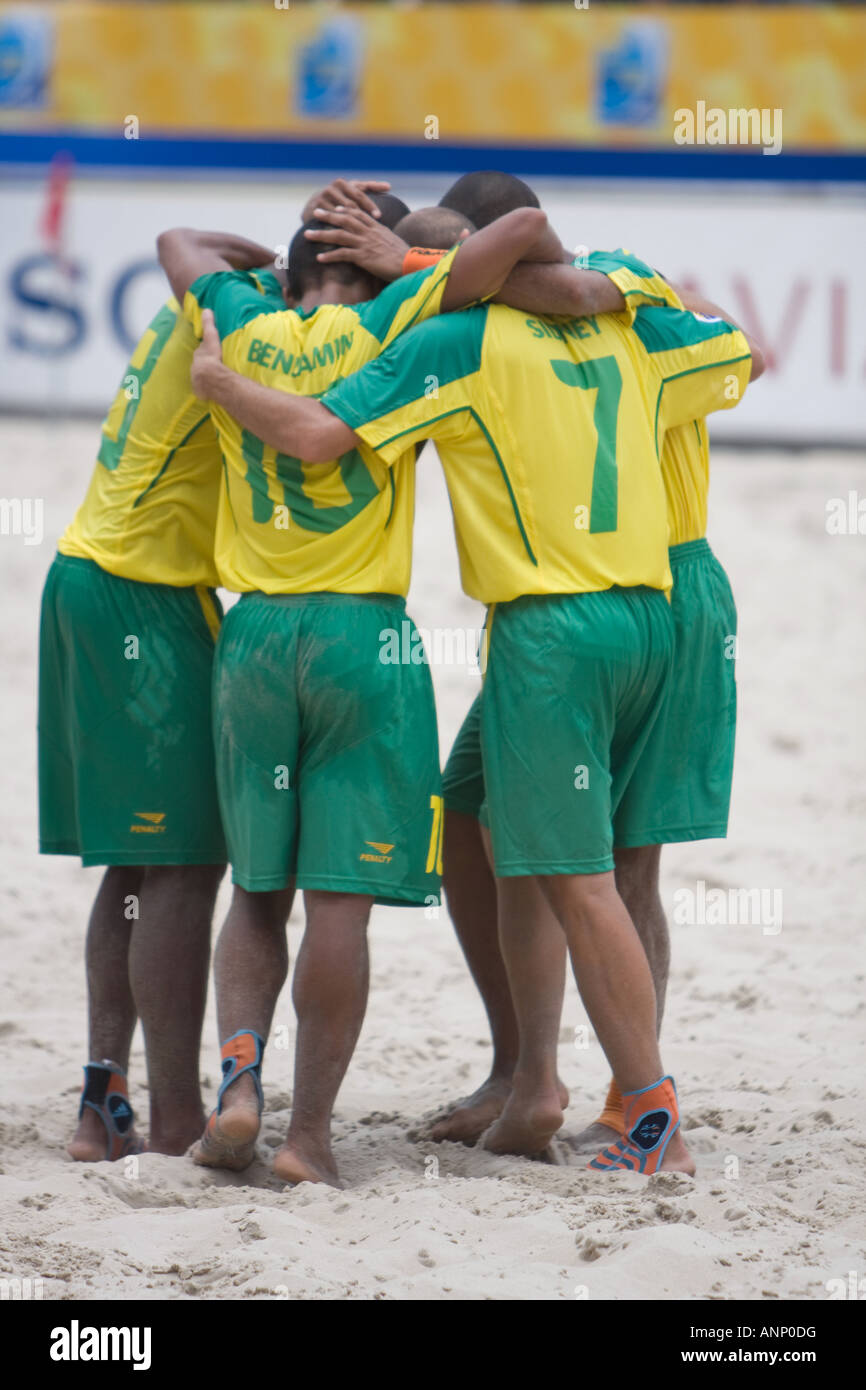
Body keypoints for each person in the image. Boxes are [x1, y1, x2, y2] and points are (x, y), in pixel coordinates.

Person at [186, 226, 763, 1175]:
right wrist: (599, 287)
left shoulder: (453, 343)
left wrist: (218, 382)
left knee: (583, 881)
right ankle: (533, 1080)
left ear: (455, 265)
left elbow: (320, 435)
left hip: (547, 633)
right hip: (658, 606)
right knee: (493, 823)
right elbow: (740, 345)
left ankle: (649, 1118)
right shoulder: (631, 315)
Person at [157, 199, 565, 1187]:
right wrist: (407, 251)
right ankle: (310, 1139)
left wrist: (279, 255)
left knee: (258, 890)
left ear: (291, 276)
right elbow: (510, 237)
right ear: (372, 276)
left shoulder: (237, 318)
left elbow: (177, 243)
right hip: (359, 635)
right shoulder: (395, 318)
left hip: (252, 631)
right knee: (339, 906)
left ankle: (241, 1086)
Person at [39, 228, 282, 1160]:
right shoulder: (256, 325)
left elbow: (178, 236)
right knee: (184, 862)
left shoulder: (207, 296)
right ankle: (177, 1114)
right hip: (144, 587)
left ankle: (105, 1099)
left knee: (137, 863)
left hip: (89, 574)